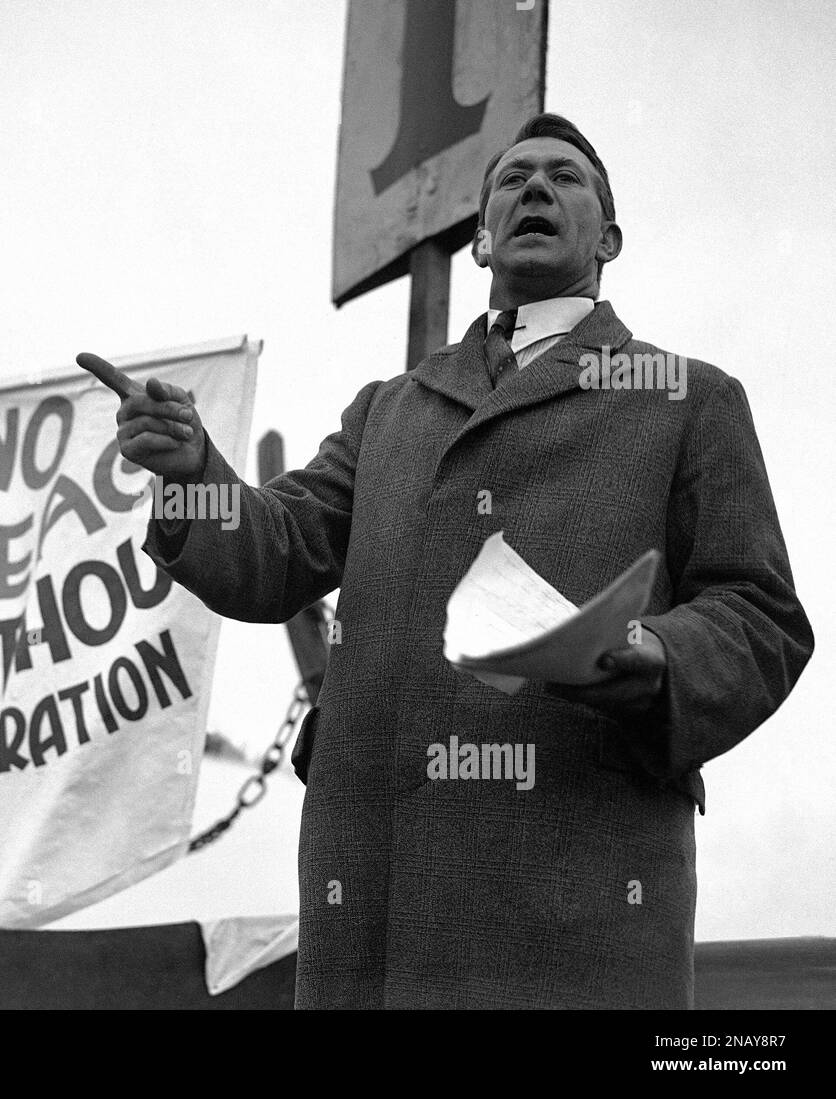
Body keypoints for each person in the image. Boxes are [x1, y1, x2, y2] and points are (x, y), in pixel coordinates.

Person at [104, 113, 813, 1008]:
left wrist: (653, 657)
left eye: (565, 178)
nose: (537, 189)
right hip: (369, 915)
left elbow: (759, 614)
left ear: (611, 237)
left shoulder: (688, 398)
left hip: (571, 912)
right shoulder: (388, 410)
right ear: (481, 239)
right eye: (513, 180)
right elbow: (275, 550)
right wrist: (192, 475)